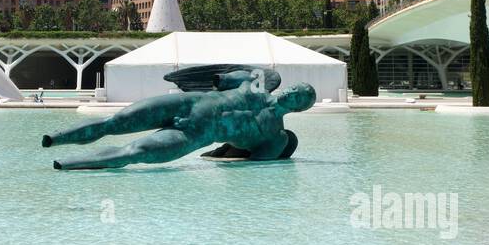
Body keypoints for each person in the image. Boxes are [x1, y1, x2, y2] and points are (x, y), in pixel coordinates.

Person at [43, 68, 315, 170]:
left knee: (134, 153)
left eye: (299, 97)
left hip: (195, 136)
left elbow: (255, 168)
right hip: (188, 103)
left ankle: (67, 164)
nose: (292, 93)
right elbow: (222, 78)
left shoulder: (274, 135)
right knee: (113, 122)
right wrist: (224, 78)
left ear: (300, 109)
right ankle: (56, 138)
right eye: (295, 88)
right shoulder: (260, 83)